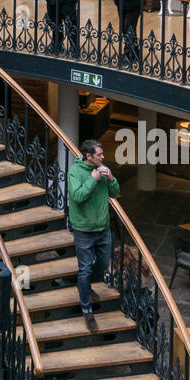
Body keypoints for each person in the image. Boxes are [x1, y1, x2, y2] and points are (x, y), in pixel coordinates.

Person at [67, 139, 120, 333]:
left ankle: (85, 287)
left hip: (103, 228)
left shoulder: (103, 170)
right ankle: (87, 310)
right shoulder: (75, 172)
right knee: (85, 269)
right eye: (99, 154)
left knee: (104, 262)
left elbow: (115, 193)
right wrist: (93, 179)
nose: (103, 157)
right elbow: (78, 196)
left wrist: (111, 178)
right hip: (83, 230)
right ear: (88, 156)